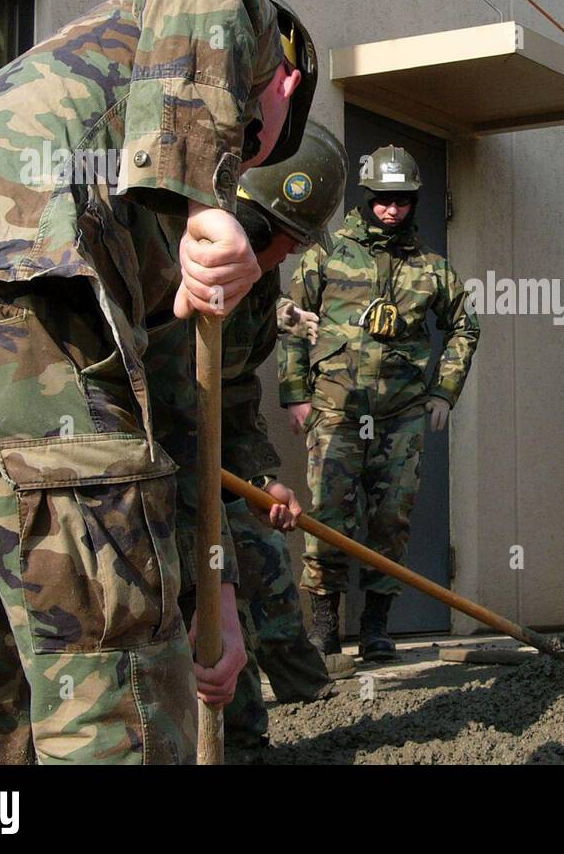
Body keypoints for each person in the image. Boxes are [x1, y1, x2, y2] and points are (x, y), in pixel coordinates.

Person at [0, 0, 315, 764]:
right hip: (9, 290)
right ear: (281, 79)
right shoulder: (232, 24)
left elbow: (185, 433)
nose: (249, 156)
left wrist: (214, 600)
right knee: (113, 677)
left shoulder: (129, 221)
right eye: (257, 142)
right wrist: (199, 191)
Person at [159, 120, 351, 749]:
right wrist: (218, 576)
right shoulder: (162, 272)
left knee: (262, 559)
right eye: (289, 240)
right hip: (152, 469)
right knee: (214, 610)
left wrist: (265, 478)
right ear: (251, 220)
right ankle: (227, 737)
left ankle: (288, 710)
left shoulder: (257, 287)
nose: (292, 256)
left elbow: (234, 399)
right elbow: (175, 421)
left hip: (211, 460)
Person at [280, 145, 479, 661]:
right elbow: (291, 324)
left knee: (390, 520)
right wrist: (294, 393)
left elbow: (464, 327)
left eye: (403, 201)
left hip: (401, 417)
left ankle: (375, 627)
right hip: (335, 411)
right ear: (367, 198)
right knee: (326, 517)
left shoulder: (432, 268)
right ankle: (324, 629)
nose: (392, 210)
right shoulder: (326, 255)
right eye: (383, 200)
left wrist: (444, 392)